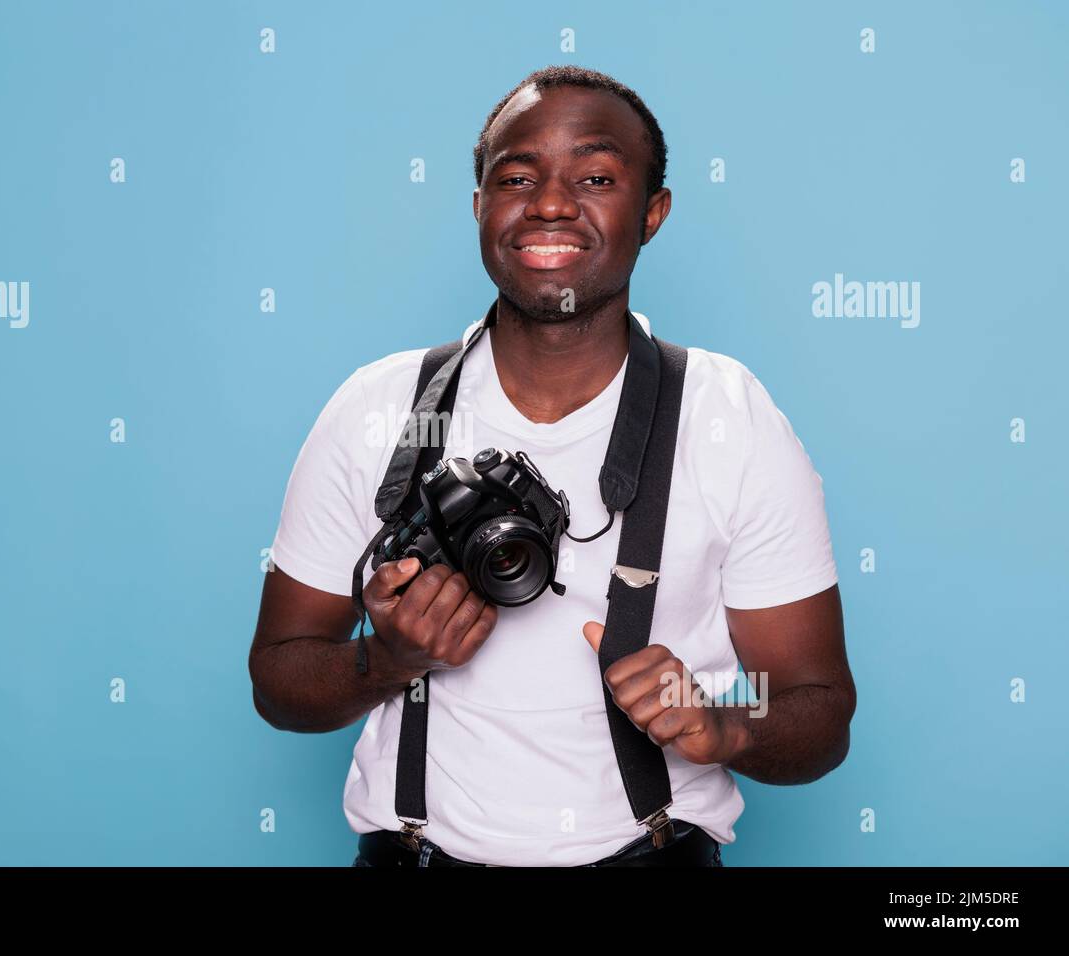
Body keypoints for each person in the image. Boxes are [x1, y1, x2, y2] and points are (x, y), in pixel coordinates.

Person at [248, 65, 856, 867]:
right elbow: (278, 679)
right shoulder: (381, 407)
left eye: (596, 176)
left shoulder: (726, 414)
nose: (550, 203)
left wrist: (722, 720)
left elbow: (817, 709)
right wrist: (385, 658)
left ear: (653, 213)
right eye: (517, 177)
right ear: (479, 207)